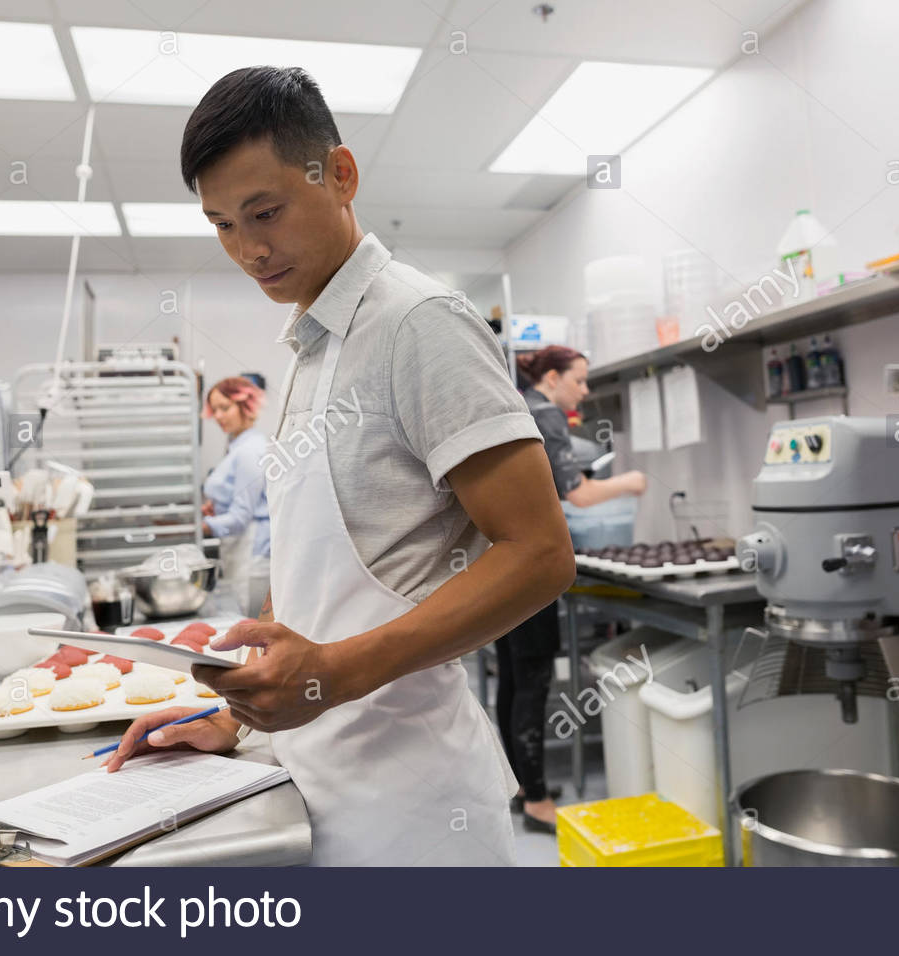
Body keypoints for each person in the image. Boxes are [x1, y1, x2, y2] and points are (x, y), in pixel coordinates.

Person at [104, 66, 576, 867]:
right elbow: (314, 579)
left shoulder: (418, 323)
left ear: (341, 174)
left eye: (266, 212)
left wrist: (330, 674)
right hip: (312, 773)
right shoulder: (302, 350)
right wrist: (241, 712)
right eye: (222, 224)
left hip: (414, 808)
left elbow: (540, 555)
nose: (248, 249)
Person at [496, 345, 647, 833]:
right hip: (529, 567)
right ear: (555, 378)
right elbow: (578, 492)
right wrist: (630, 482)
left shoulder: (516, 405)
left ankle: (522, 784)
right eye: (579, 381)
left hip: (497, 563)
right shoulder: (547, 416)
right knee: (534, 676)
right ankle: (539, 802)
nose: (584, 390)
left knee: (515, 677)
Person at [200, 375, 271, 618]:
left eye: (225, 408)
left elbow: (241, 516)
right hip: (240, 549)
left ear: (246, 406)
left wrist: (202, 527)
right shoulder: (238, 447)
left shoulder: (250, 451)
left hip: (252, 551)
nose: (218, 416)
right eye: (215, 409)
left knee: (254, 626)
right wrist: (218, 508)